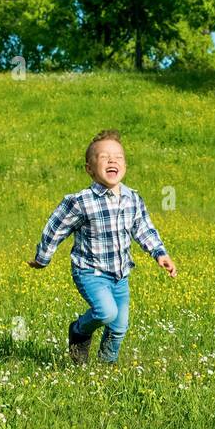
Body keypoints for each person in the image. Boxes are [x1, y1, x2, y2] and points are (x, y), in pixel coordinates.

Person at [28, 129, 176, 364]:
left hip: (120, 275)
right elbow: (55, 228)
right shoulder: (81, 201)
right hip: (90, 271)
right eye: (104, 157)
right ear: (89, 168)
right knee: (106, 313)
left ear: (125, 165)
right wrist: (42, 258)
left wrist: (160, 253)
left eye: (118, 157)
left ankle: (106, 367)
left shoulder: (132, 198)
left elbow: (143, 228)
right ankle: (78, 331)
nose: (112, 160)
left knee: (119, 326)